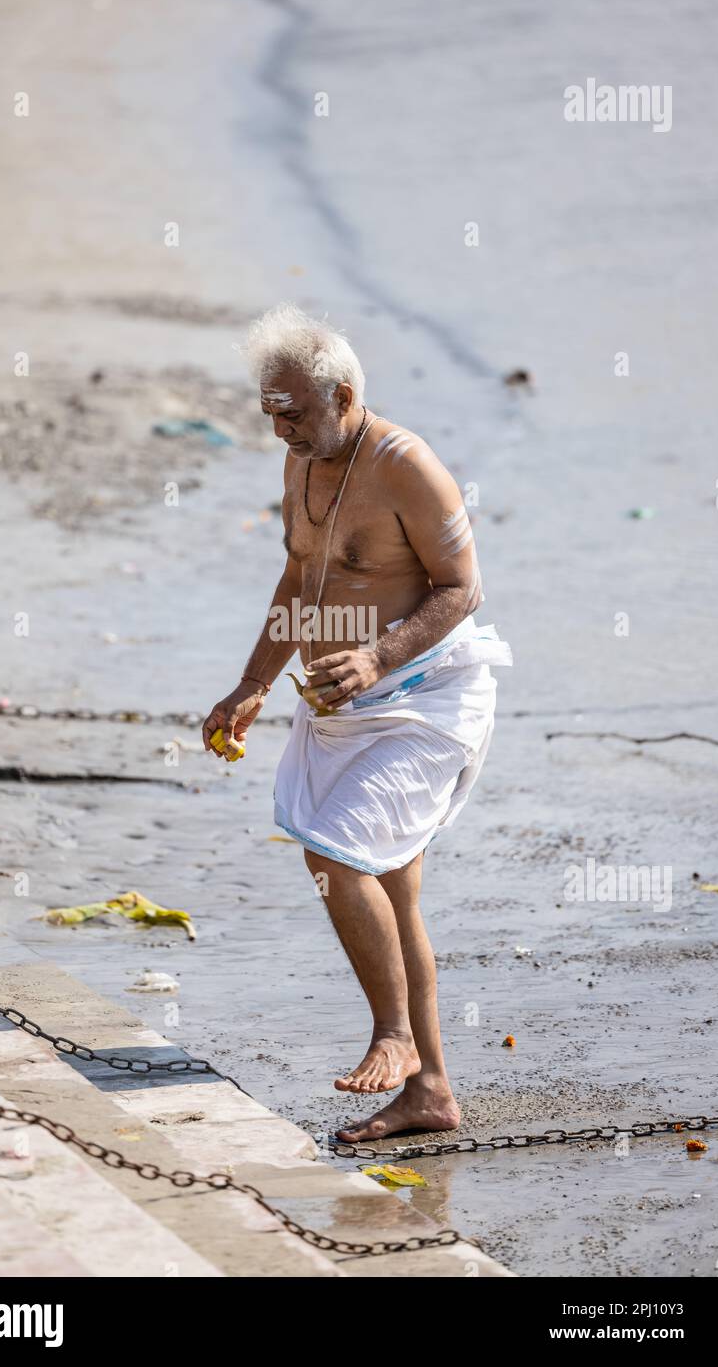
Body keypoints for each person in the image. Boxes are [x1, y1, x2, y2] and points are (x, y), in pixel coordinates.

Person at [202, 304, 511, 1142]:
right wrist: (252, 684)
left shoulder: (408, 466)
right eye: (271, 415)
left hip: (426, 693)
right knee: (394, 888)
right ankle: (432, 1094)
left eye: (295, 412)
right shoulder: (305, 463)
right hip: (345, 700)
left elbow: (462, 590)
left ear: (342, 395)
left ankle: (395, 1035)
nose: (281, 432)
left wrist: (377, 658)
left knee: (334, 852)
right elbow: (300, 579)